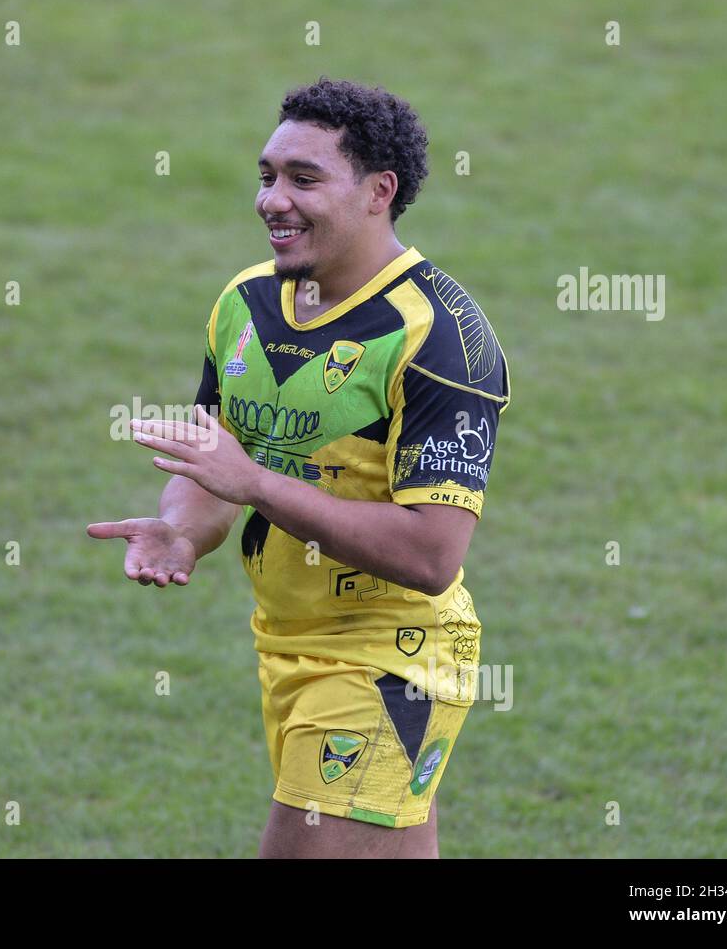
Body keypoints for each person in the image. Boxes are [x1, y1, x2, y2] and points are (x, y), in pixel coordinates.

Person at [87, 77, 511, 858]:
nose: (271, 200)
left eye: (304, 179)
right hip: (284, 645)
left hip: (391, 657)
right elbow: (218, 464)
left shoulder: (441, 336)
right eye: (267, 176)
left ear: (378, 191)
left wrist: (255, 487)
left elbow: (432, 554)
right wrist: (182, 529)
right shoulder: (244, 304)